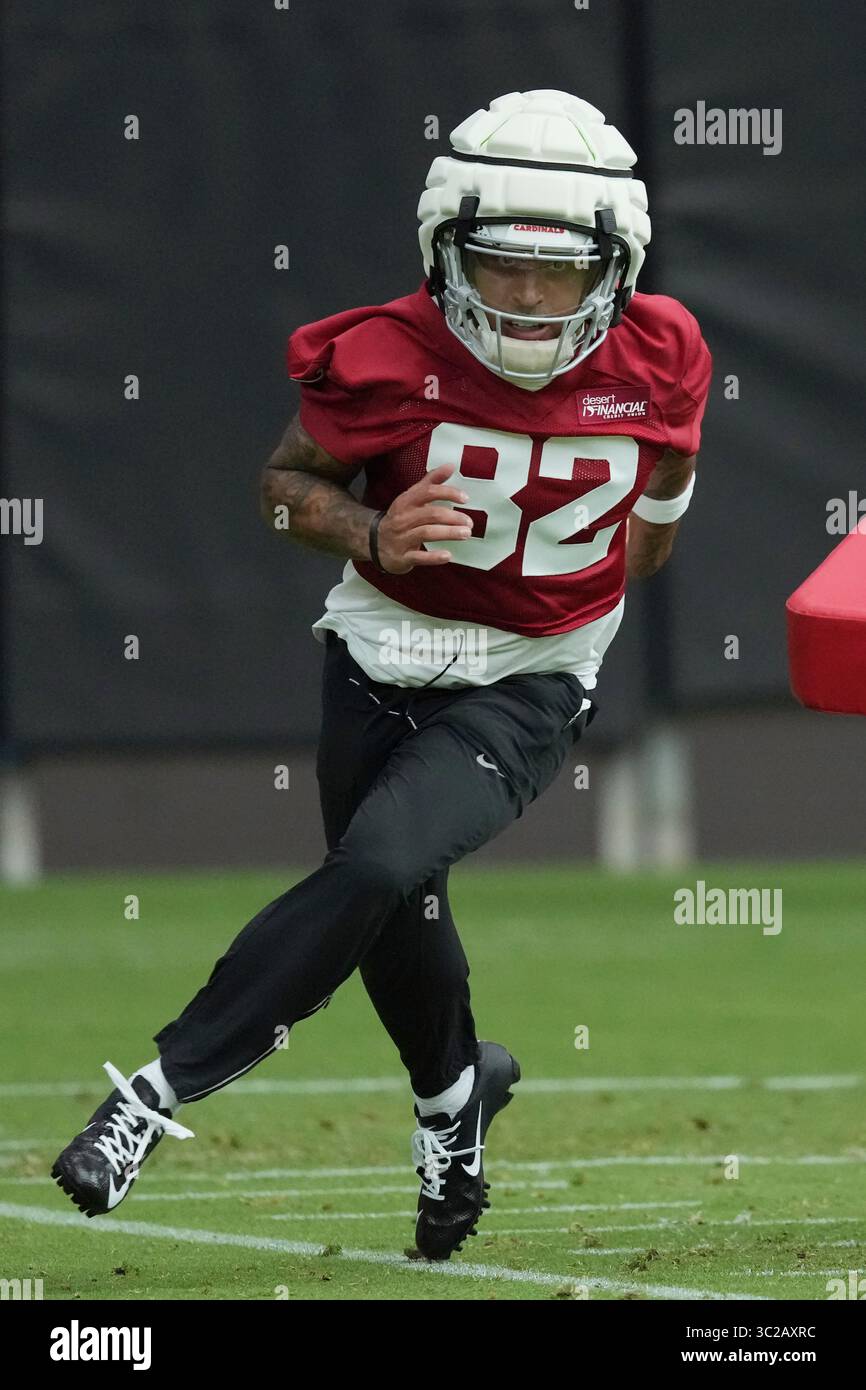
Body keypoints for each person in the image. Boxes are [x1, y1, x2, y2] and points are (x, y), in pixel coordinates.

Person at [51, 89, 712, 1262]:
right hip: (378, 651)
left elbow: (650, 536)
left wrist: (572, 583)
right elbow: (279, 485)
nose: (521, 295)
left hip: (529, 672)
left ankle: (150, 1094)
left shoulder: (663, 355)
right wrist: (365, 531)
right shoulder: (383, 351)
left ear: (614, 265)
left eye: (554, 272)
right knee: (393, 900)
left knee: (380, 860)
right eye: (497, 265)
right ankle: (459, 1100)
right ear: (444, 247)